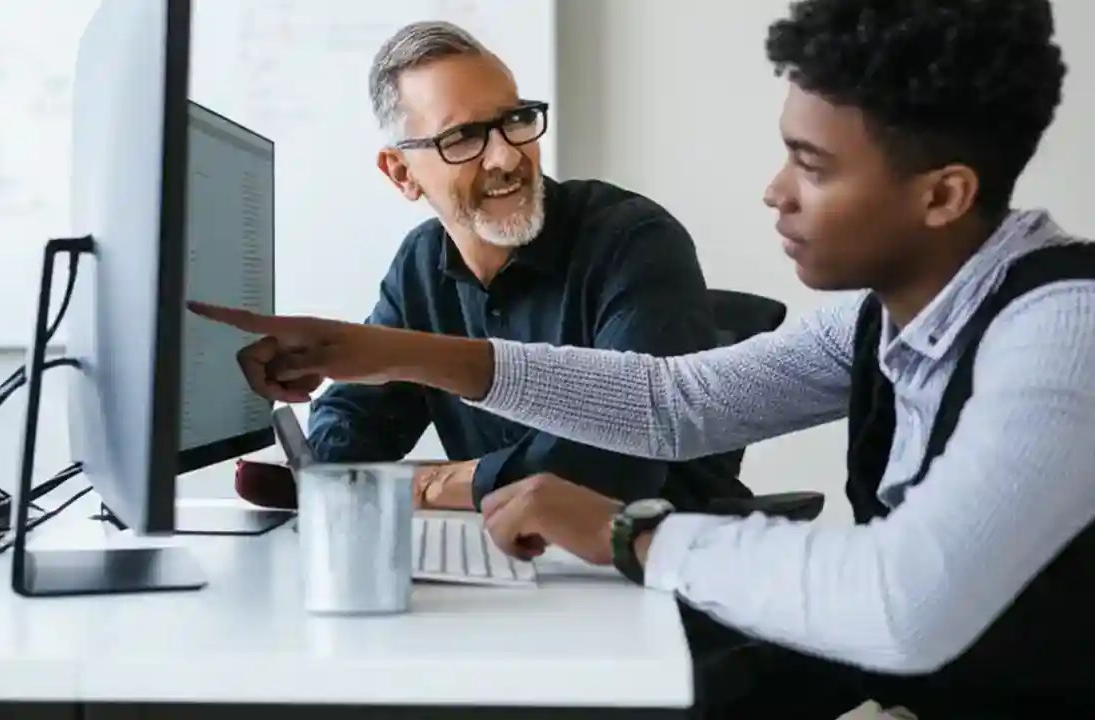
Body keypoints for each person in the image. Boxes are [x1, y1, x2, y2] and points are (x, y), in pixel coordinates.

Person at [193, 0, 1095, 715]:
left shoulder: (1062, 331)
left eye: (811, 167)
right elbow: (671, 399)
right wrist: (387, 351)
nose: (775, 193)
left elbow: (905, 602)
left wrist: (634, 532)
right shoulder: (882, 316)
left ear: (942, 196)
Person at [236, 20, 748, 514]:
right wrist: (320, 471)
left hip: (655, 560)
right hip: (515, 556)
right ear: (401, 173)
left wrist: (431, 485)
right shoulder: (421, 265)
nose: (506, 156)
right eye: (462, 137)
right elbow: (361, 414)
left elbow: (620, 455)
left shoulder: (634, 240)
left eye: (516, 120)